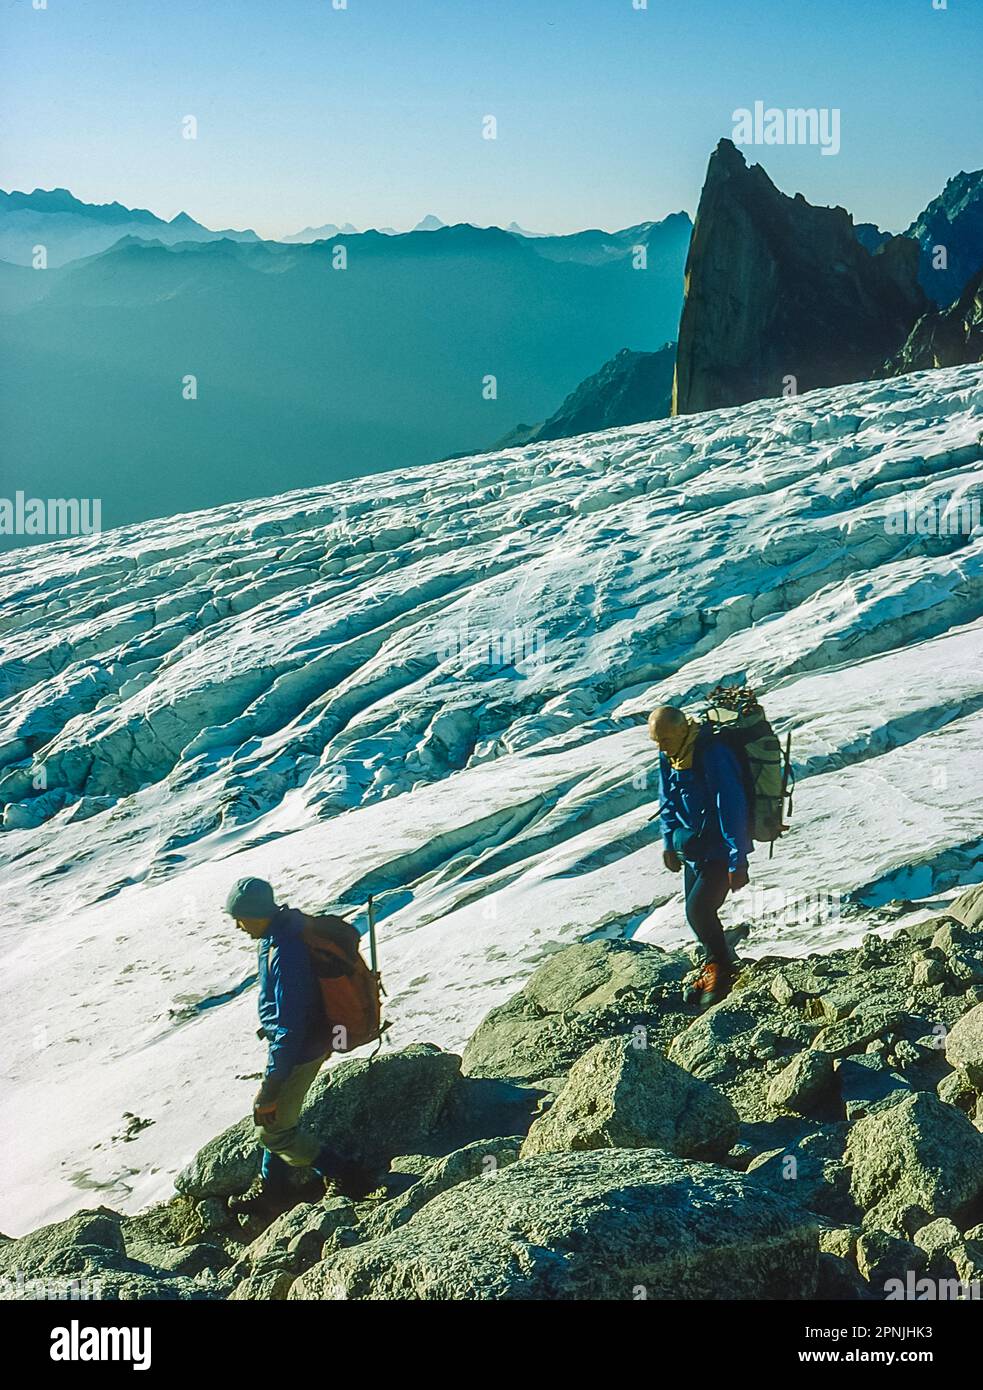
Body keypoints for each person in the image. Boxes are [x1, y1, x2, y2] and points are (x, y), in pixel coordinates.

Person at [224, 876, 372, 1219]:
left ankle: (344, 1174)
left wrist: (272, 1085)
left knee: (274, 1130)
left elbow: (290, 1026)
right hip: (301, 1044)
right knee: (275, 1121)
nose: (237, 925)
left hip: (300, 1050)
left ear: (259, 914)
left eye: (241, 917)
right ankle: (272, 1187)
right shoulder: (280, 934)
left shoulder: (286, 951)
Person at [648, 704, 751, 1008]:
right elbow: (666, 799)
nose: (661, 747)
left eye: (664, 739)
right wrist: (668, 841)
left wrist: (738, 859)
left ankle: (722, 973)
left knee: (699, 911)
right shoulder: (671, 754)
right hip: (693, 850)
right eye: (656, 741)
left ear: (682, 730)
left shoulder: (712, 754)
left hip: (719, 850)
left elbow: (730, 807)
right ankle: (714, 966)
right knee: (697, 914)